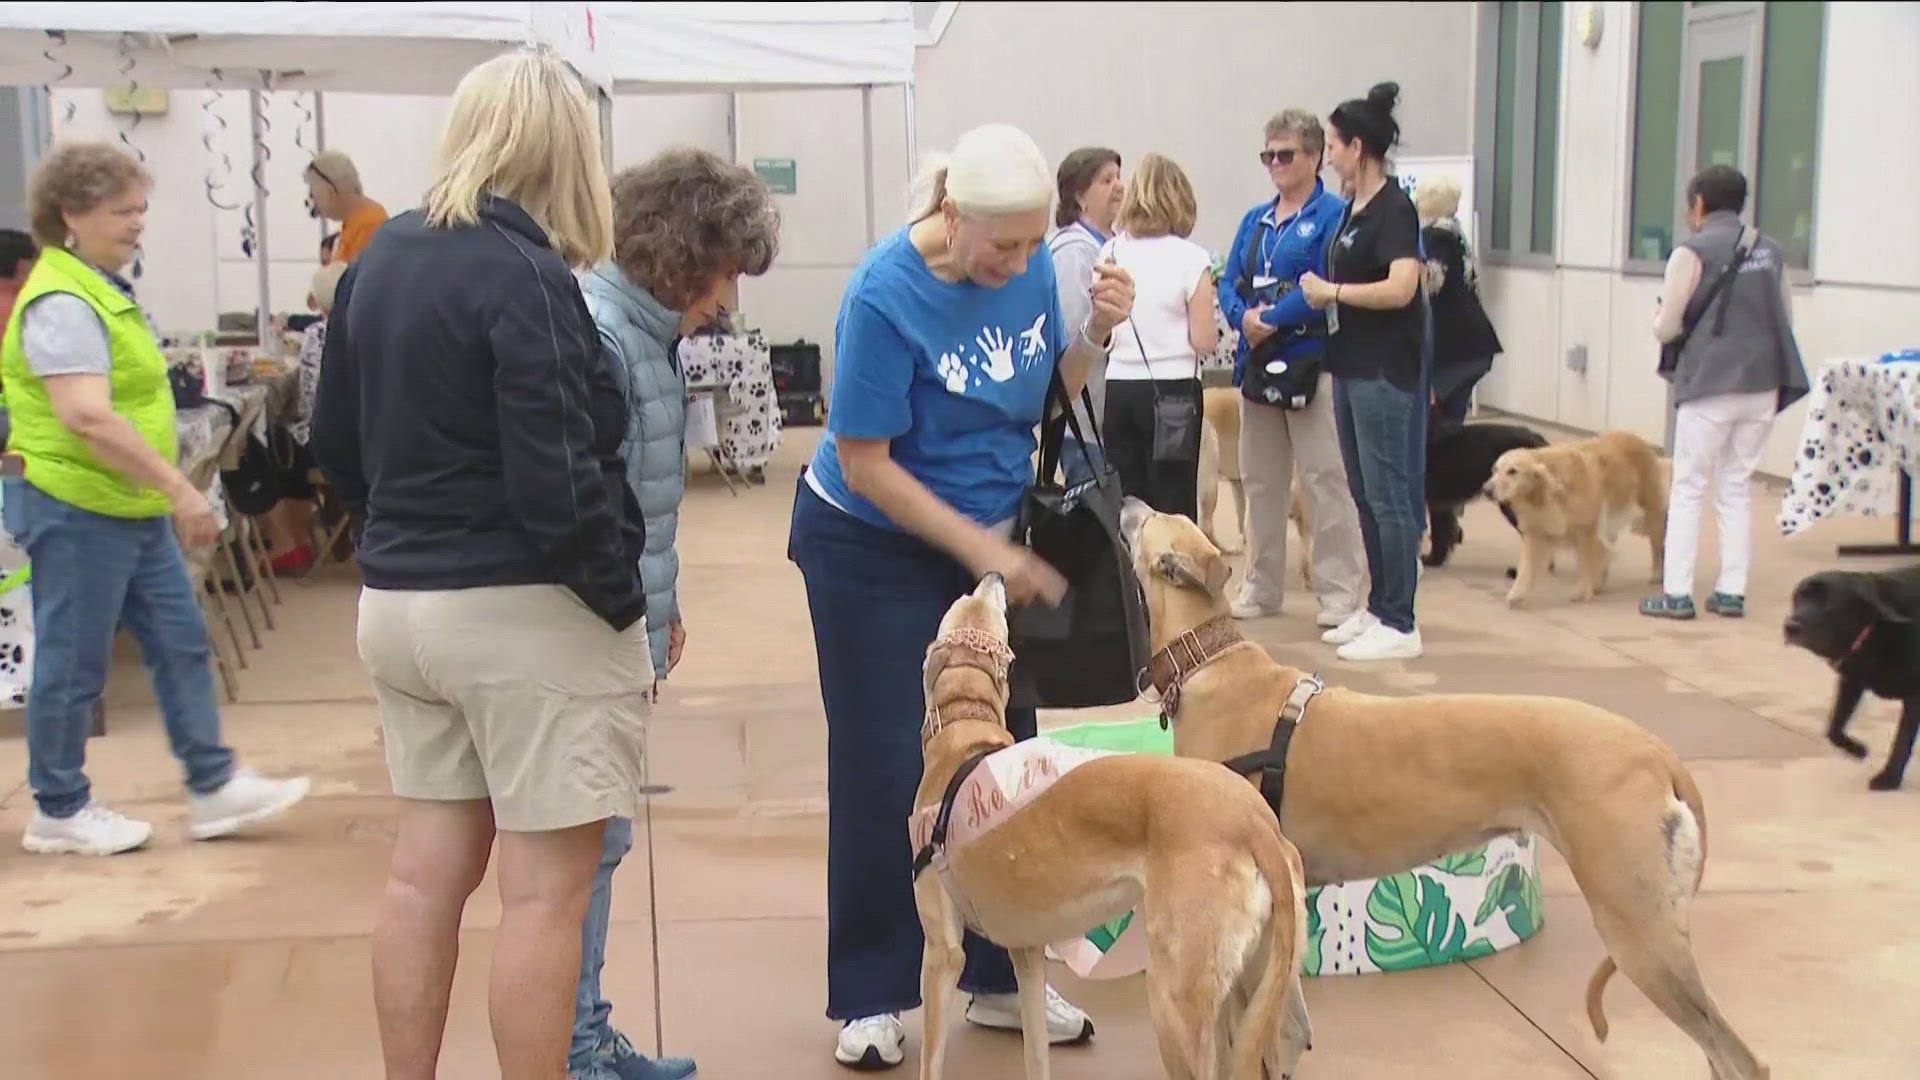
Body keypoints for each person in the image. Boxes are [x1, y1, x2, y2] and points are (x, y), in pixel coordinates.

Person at [308, 50, 650, 1080]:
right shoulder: (528, 275)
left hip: (403, 603)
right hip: (523, 611)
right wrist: (618, 592)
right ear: (565, 151)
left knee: (423, 879)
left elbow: (335, 442)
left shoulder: (381, 258)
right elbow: (556, 473)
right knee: (545, 892)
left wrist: (396, 533)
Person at [786, 123, 1133, 1070]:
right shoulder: (882, 294)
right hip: (873, 549)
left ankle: (995, 970)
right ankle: (872, 991)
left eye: (1034, 245)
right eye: (1003, 245)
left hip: (988, 543)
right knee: (886, 760)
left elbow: (1047, 391)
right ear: (950, 214)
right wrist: (984, 550)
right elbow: (865, 465)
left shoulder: (1021, 272)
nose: (1020, 264)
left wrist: (1095, 331)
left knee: (1000, 758)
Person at [0, 142, 311, 856]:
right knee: (76, 665)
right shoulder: (63, 301)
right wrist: (178, 488)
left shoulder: (98, 289)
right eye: (122, 211)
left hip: (125, 506)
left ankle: (213, 784)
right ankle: (59, 804)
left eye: (140, 208)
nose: (138, 223)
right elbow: (85, 415)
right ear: (70, 215)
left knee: (180, 640)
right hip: (78, 505)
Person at [569, 147, 780, 1080]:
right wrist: (633, 621)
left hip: (620, 624)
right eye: (727, 272)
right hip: (586, 637)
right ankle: (575, 1049)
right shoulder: (607, 338)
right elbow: (592, 509)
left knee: (599, 845)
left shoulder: (640, 334)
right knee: (586, 849)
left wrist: (665, 607)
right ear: (685, 252)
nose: (729, 300)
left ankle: (585, 1032)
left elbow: (640, 499)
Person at [1217, 109, 1366, 625]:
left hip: (1311, 362)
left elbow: (1325, 282)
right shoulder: (1255, 219)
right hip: (1256, 365)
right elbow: (1228, 277)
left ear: (1315, 156)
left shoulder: (1333, 217)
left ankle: (1339, 589)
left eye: (1287, 154)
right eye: (1269, 155)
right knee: (1260, 479)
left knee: (1325, 478)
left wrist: (1274, 317)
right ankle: (1261, 584)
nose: (1276, 164)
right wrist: (1244, 318)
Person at [1641, 164, 1808, 621]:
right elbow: (1785, 319)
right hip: (1762, 385)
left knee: (1690, 486)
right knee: (1735, 486)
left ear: (1698, 204)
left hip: (1710, 384)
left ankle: (1676, 594)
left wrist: (1658, 319)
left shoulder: (1690, 252)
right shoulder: (1770, 252)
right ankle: (1731, 590)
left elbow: (1668, 325)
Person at [1300, 82, 1428, 662]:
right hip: (1348, 365)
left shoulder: (1395, 209)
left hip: (1383, 369)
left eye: (1332, 145)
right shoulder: (1354, 207)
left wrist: (1334, 292)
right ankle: (1378, 607)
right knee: (1363, 494)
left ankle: (1400, 618)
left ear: (1358, 146)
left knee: (1388, 493)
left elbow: (1403, 287)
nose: (1328, 156)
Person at [1097, 152, 1215, 518]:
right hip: (1174, 392)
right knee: (1173, 504)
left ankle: (1130, 575)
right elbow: (1204, 340)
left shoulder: (1110, 252)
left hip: (1118, 387)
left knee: (1128, 505)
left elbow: (1103, 329)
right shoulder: (1191, 258)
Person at [1046, 147, 1122, 486]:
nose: (1119, 186)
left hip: (1114, 417)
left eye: (1119, 177)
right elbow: (1073, 333)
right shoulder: (1074, 252)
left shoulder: (1114, 247)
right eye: (1106, 180)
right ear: (1080, 196)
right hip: (1085, 420)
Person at [1416, 175, 1502, 426]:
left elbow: (1433, 282)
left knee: (1437, 422)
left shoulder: (1435, 236)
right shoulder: (1457, 233)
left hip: (1455, 348)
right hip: (1474, 343)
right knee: (1450, 418)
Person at [305, 149, 388, 265]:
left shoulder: (368, 225)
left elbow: (355, 280)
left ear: (330, 192)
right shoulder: (354, 221)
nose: (313, 202)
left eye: (313, 194)